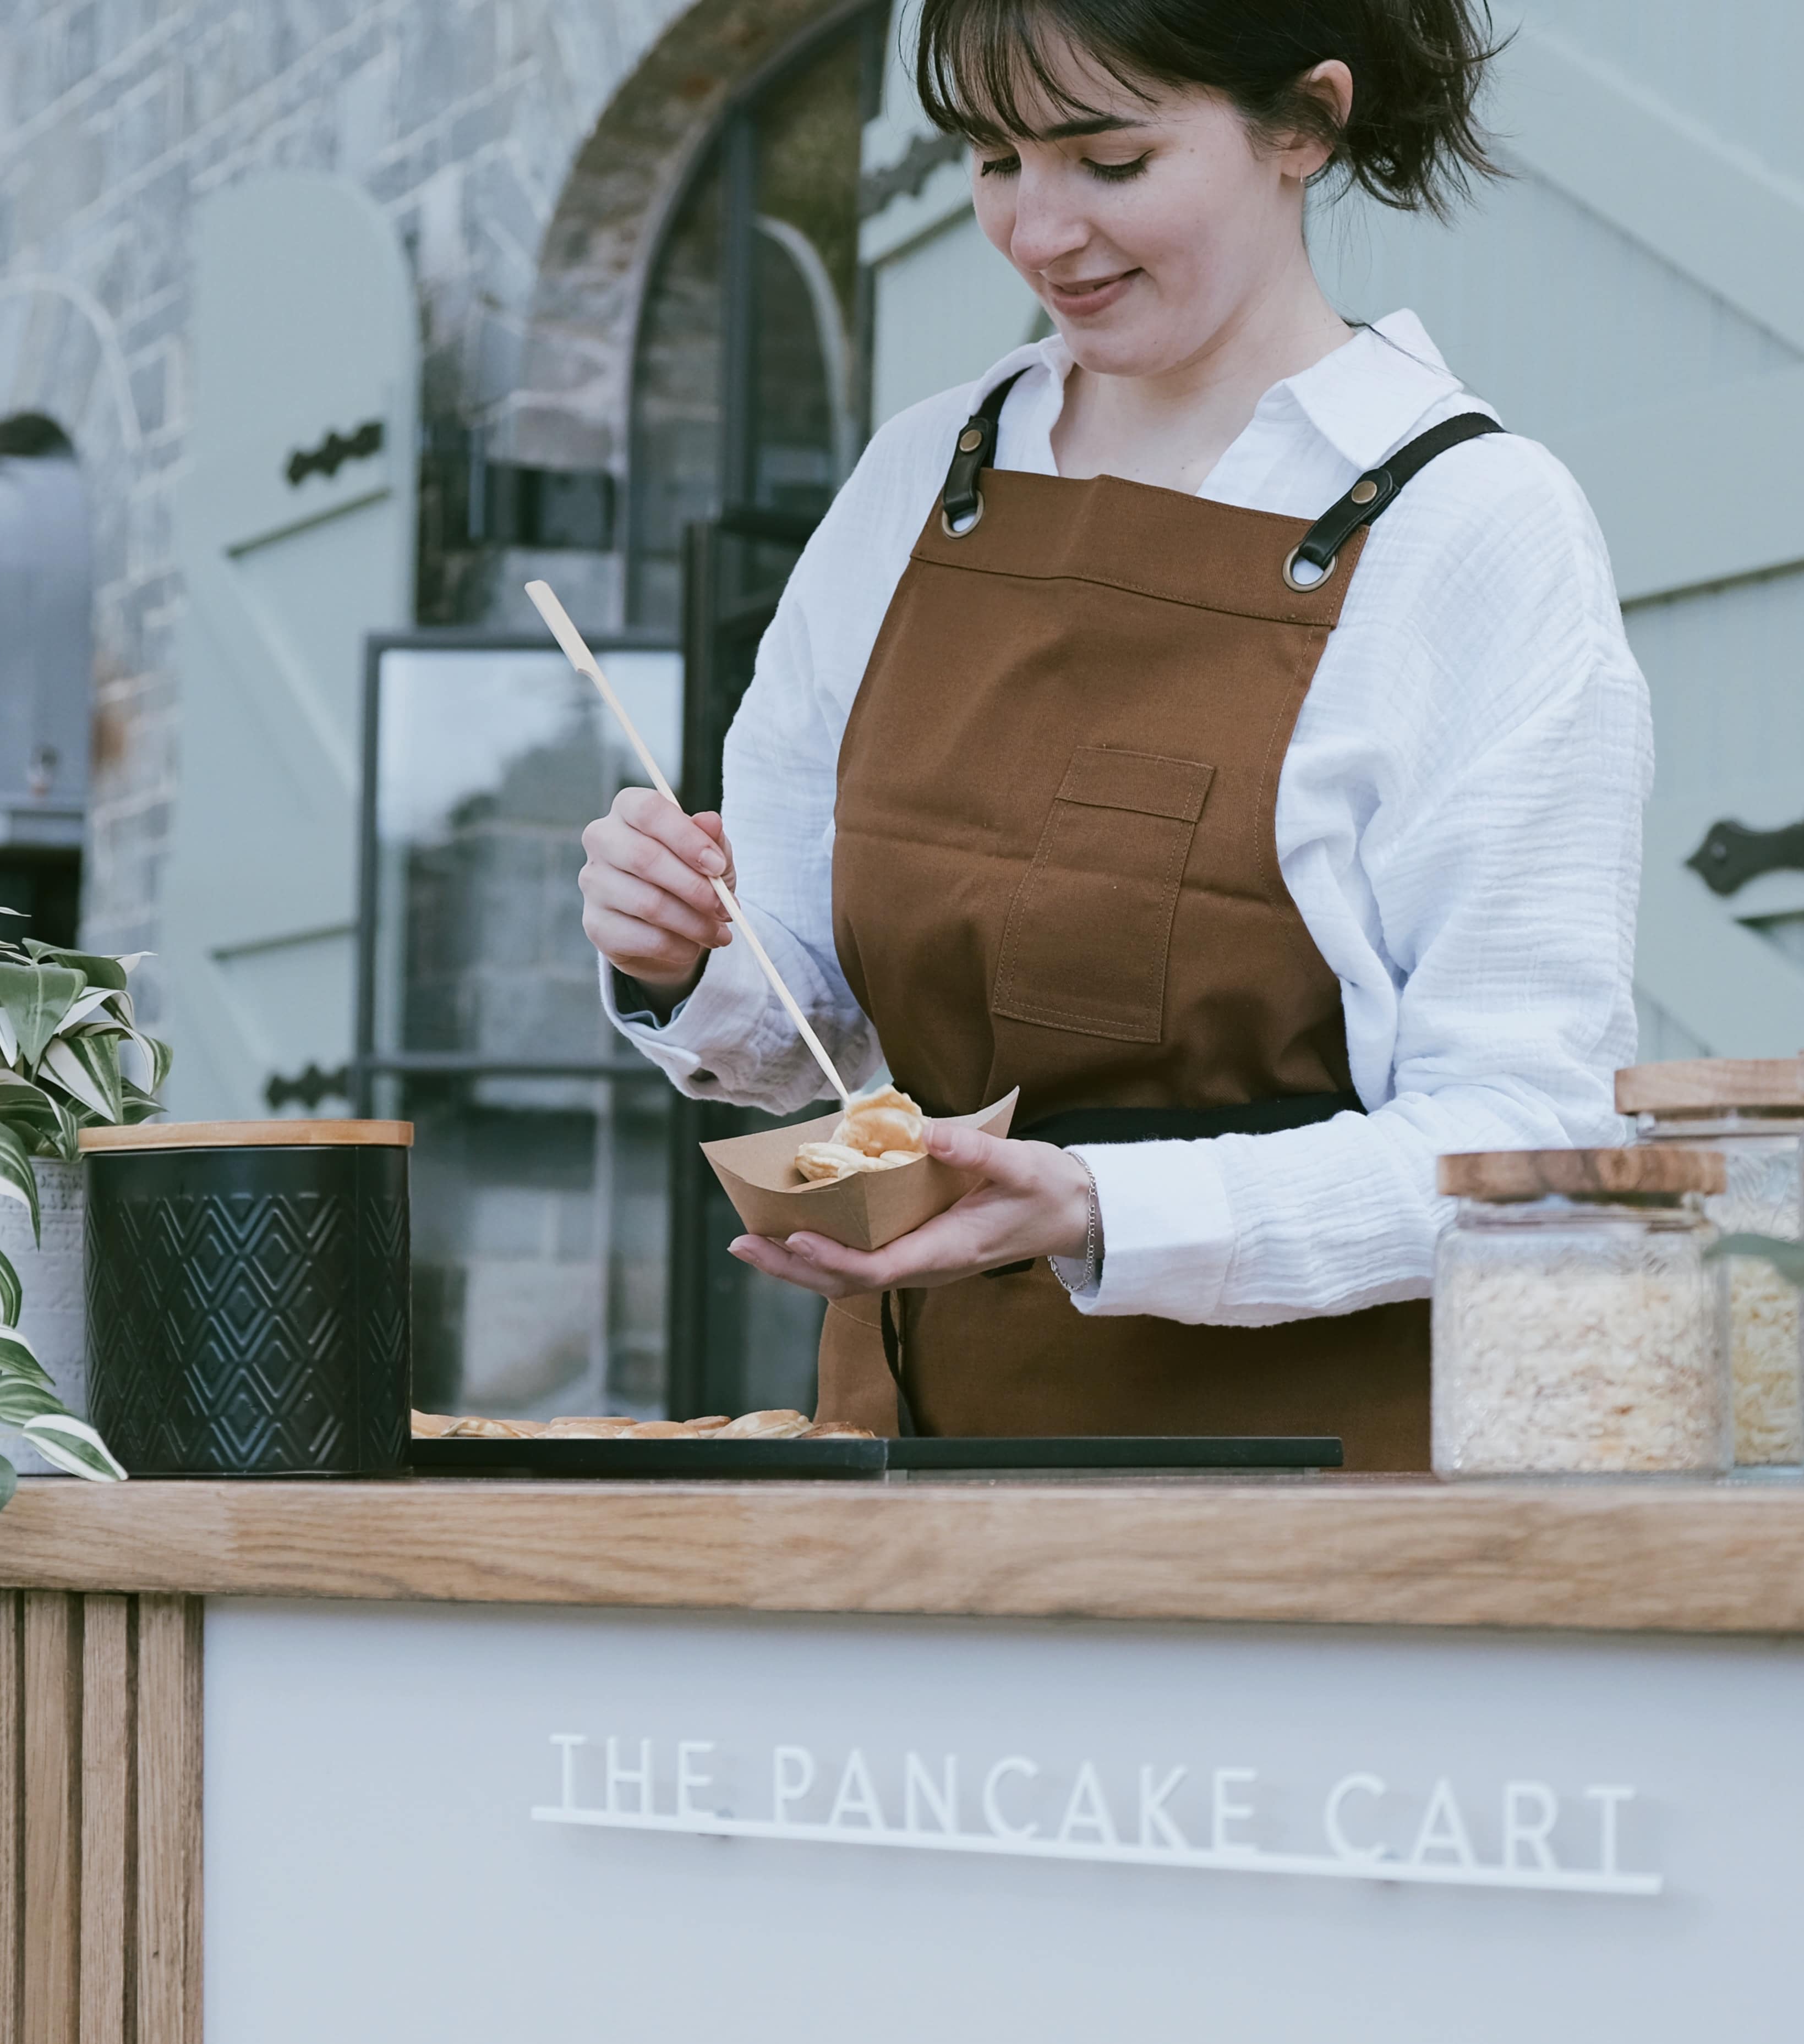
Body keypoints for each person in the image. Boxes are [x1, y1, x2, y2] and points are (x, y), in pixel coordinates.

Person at [580, 0, 1649, 1470]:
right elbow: (806, 1028)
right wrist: (681, 950)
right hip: (898, 1473)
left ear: (1306, 123)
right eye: (996, 158)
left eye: (1110, 159)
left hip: (1312, 1515)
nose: (1037, 229)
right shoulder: (918, 484)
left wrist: (1099, 1207)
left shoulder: (1470, 530)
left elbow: (1529, 1144)